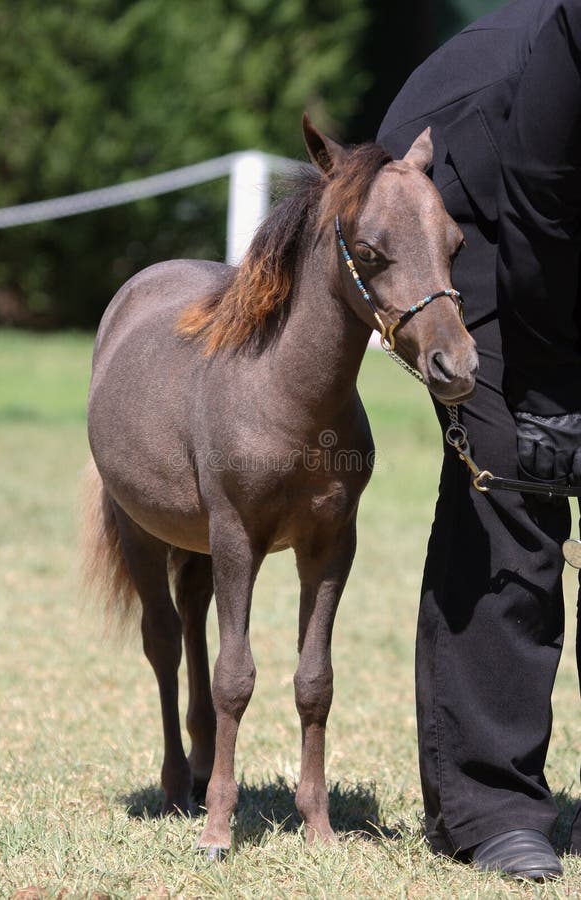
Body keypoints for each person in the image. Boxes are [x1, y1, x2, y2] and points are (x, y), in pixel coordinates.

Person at [377, 0, 581, 880]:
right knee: (517, 472)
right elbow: (545, 204)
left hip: (556, 209)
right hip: (483, 189)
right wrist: (551, 393)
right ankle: (490, 801)